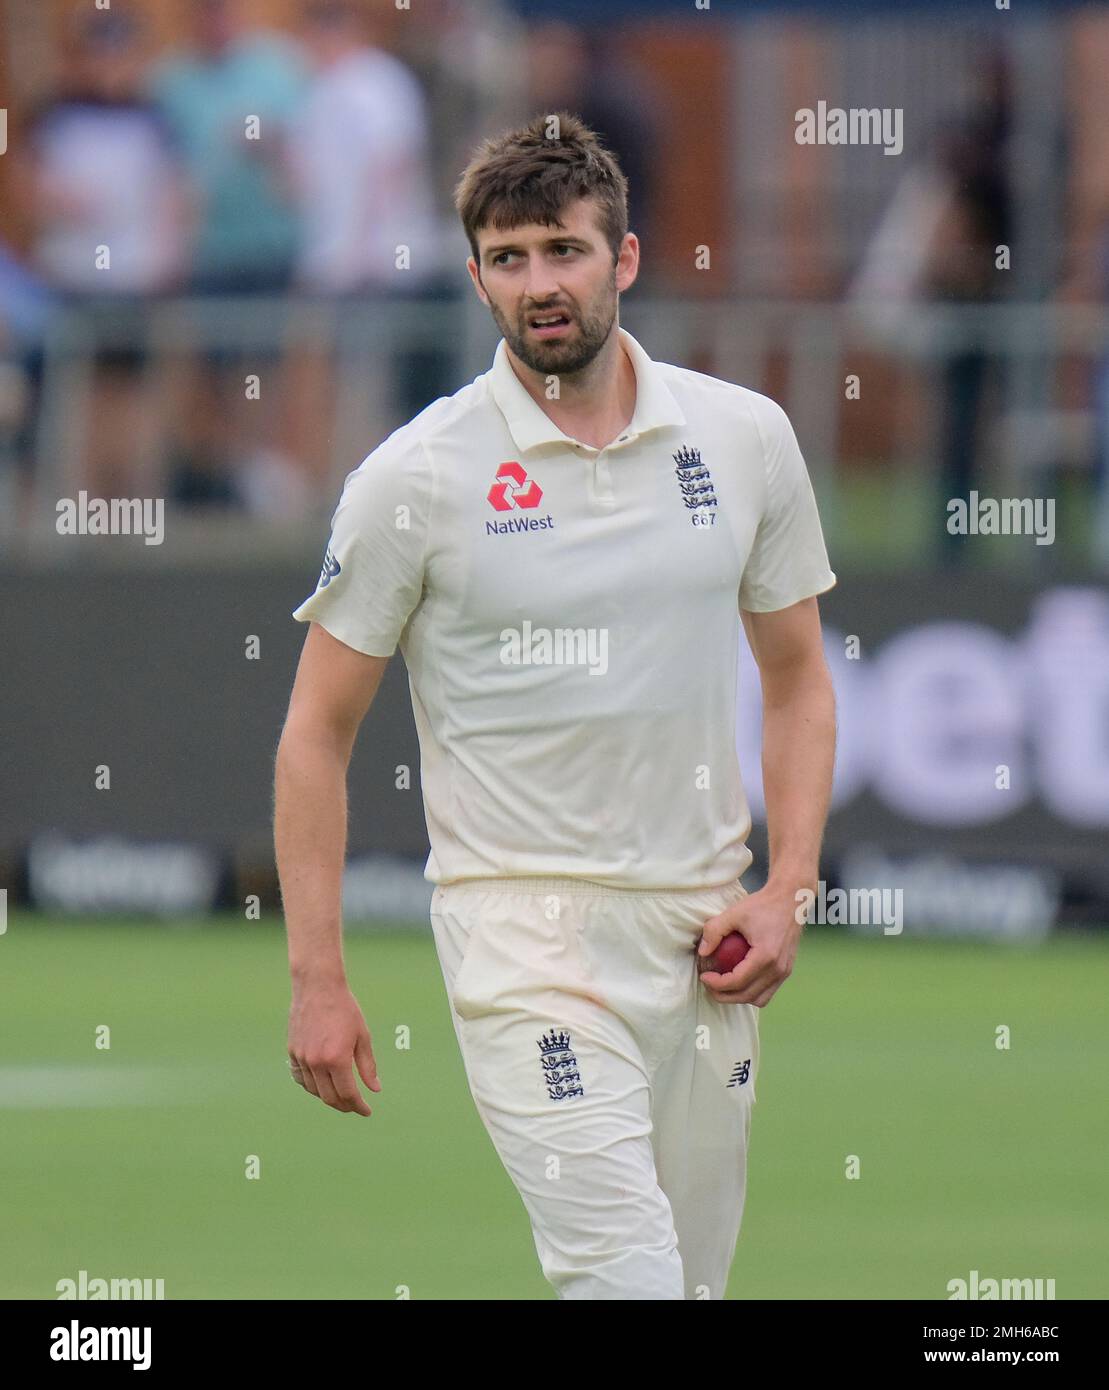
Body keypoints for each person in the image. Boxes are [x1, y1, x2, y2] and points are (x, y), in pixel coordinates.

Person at [274, 113, 837, 1301]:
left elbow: (794, 677)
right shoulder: (414, 478)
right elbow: (315, 735)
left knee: (684, 1288)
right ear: (475, 273)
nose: (539, 283)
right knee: (621, 1279)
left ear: (621, 260)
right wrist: (315, 977)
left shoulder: (742, 439)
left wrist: (787, 888)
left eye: (564, 251)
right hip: (518, 930)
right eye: (509, 257)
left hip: (698, 939)